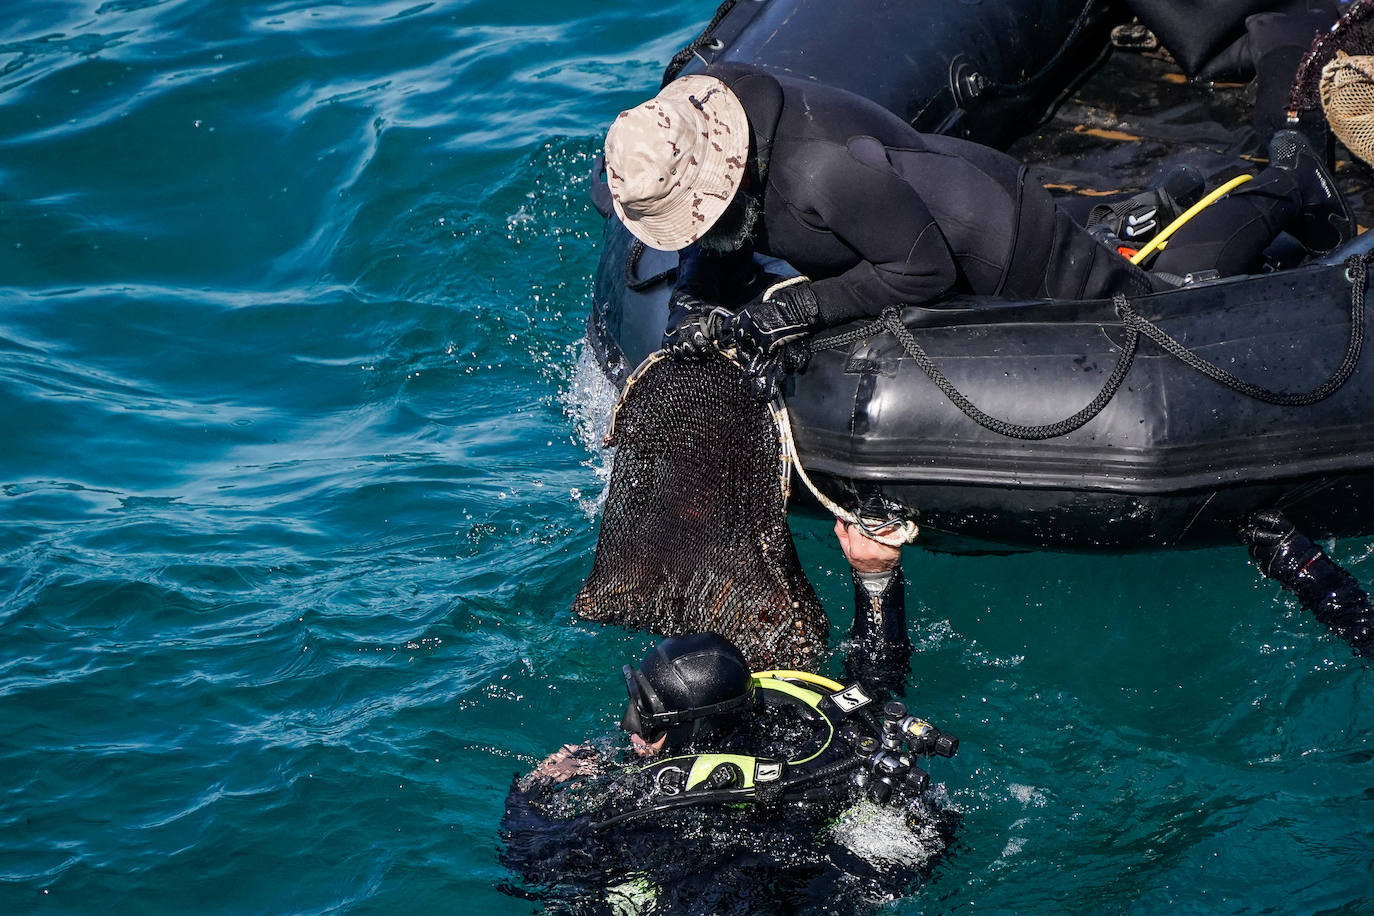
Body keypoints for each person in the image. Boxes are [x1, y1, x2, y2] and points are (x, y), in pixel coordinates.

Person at [601, 66, 1355, 361]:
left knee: (1170, 315)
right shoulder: (710, 111)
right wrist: (699, 293)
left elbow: (922, 272)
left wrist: (791, 310)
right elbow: (725, 230)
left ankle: (1289, 183)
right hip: (922, 214)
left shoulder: (823, 175)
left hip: (1008, 243)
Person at [499, 523, 959, 914]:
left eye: (650, 723)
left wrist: (532, 789)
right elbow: (875, 673)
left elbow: (532, 863)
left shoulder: (664, 805)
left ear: (696, 730)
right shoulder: (799, 726)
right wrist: (873, 572)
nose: (630, 730)